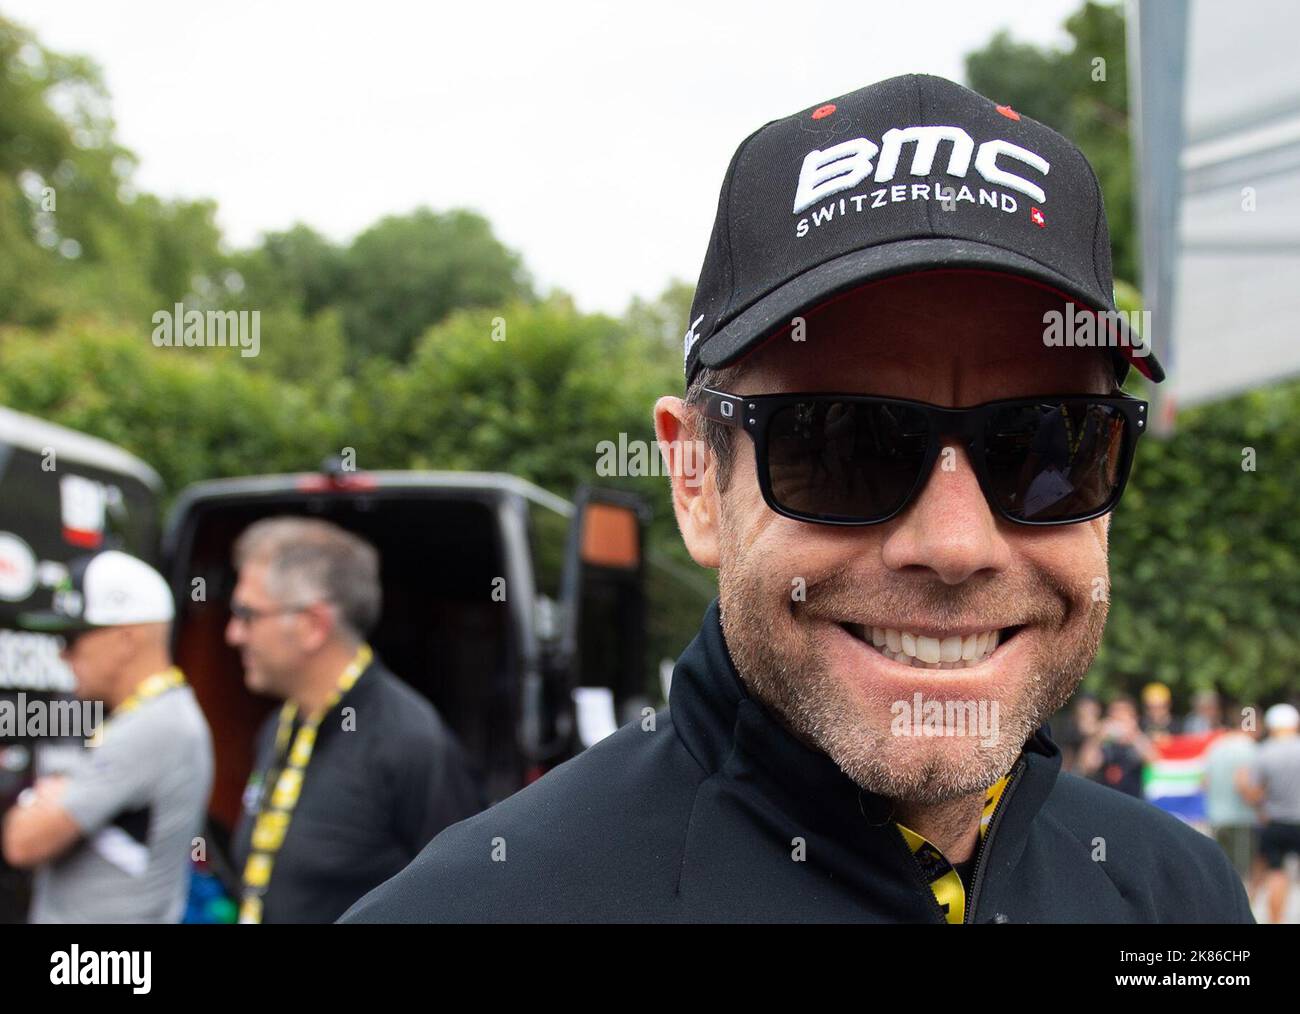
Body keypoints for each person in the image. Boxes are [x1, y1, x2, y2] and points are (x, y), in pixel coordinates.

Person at [342, 74, 1253, 923]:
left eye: (1050, 446)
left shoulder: (1177, 896)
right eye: (842, 443)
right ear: (698, 480)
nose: (955, 543)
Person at [226, 516, 484, 923]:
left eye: (247, 614)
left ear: (312, 625)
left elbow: (466, 896)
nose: (234, 634)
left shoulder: (410, 741)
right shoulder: (279, 726)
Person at [2, 550, 213, 923]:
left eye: (73, 639)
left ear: (126, 639)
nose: (63, 656)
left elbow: (23, 842)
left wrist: (47, 795)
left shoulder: (157, 725)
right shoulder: (149, 714)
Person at [1240, 703, 1300, 923]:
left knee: (1276, 873)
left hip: (1276, 821)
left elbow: (1254, 794)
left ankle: (1276, 921)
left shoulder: (1264, 752)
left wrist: (1245, 788)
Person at [1202, 701, 1258, 886]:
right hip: (1242, 820)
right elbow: (1242, 783)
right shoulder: (1249, 747)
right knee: (1241, 875)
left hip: (1217, 817)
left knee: (1222, 874)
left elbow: (1205, 782)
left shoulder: (1216, 745)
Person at [1078, 696, 1156, 799]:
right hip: (1106, 799)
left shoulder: (1138, 740)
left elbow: (1153, 760)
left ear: (1134, 718)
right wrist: (1097, 738)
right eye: (1114, 717)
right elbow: (1087, 765)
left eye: (1122, 717)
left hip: (1134, 800)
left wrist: (1134, 735)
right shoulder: (1104, 743)